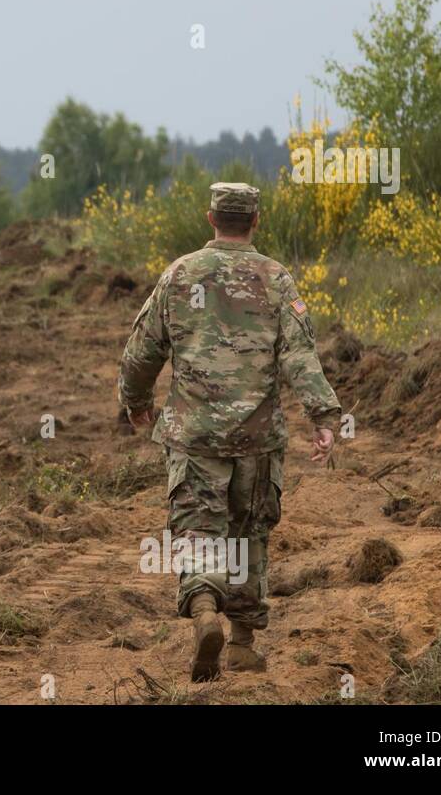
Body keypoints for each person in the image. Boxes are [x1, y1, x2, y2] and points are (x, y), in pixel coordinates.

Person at [118, 182, 341, 682]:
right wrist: (323, 416)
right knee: (249, 533)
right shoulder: (276, 279)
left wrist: (135, 404)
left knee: (199, 529)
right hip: (257, 439)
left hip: (193, 437)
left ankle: (202, 611)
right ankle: (241, 645)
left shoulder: (178, 275)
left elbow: (143, 351)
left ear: (210, 218)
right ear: (255, 222)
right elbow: (299, 355)